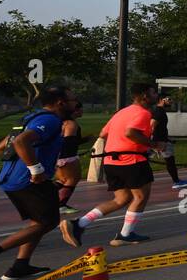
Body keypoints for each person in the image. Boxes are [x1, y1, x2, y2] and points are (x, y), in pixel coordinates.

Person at [0, 86, 76, 280]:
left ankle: (21, 265)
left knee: (38, 221)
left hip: (9, 178)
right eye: (72, 100)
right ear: (60, 103)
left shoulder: (31, 117)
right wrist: (36, 169)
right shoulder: (51, 120)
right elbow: (20, 142)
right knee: (48, 222)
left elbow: (1, 147)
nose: (75, 103)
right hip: (29, 180)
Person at [61, 82, 159, 249]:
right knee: (140, 197)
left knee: (121, 199)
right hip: (132, 160)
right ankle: (125, 235)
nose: (157, 96)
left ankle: (79, 224)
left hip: (111, 162)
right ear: (144, 96)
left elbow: (103, 133)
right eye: (154, 93)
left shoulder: (121, 112)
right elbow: (131, 133)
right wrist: (153, 144)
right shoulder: (143, 113)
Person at [150, 94, 187, 189]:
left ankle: (176, 181)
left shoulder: (160, 111)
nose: (171, 101)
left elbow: (159, 128)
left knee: (145, 159)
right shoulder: (159, 112)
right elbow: (151, 126)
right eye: (169, 99)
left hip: (162, 140)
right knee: (170, 162)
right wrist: (154, 142)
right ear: (161, 100)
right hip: (160, 142)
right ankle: (176, 182)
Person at [55, 98, 85, 215]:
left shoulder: (62, 122)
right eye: (81, 108)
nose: (83, 111)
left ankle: (48, 199)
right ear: (75, 110)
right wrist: (66, 159)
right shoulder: (70, 123)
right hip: (67, 157)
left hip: (61, 156)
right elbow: (68, 141)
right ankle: (61, 205)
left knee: (63, 180)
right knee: (72, 179)